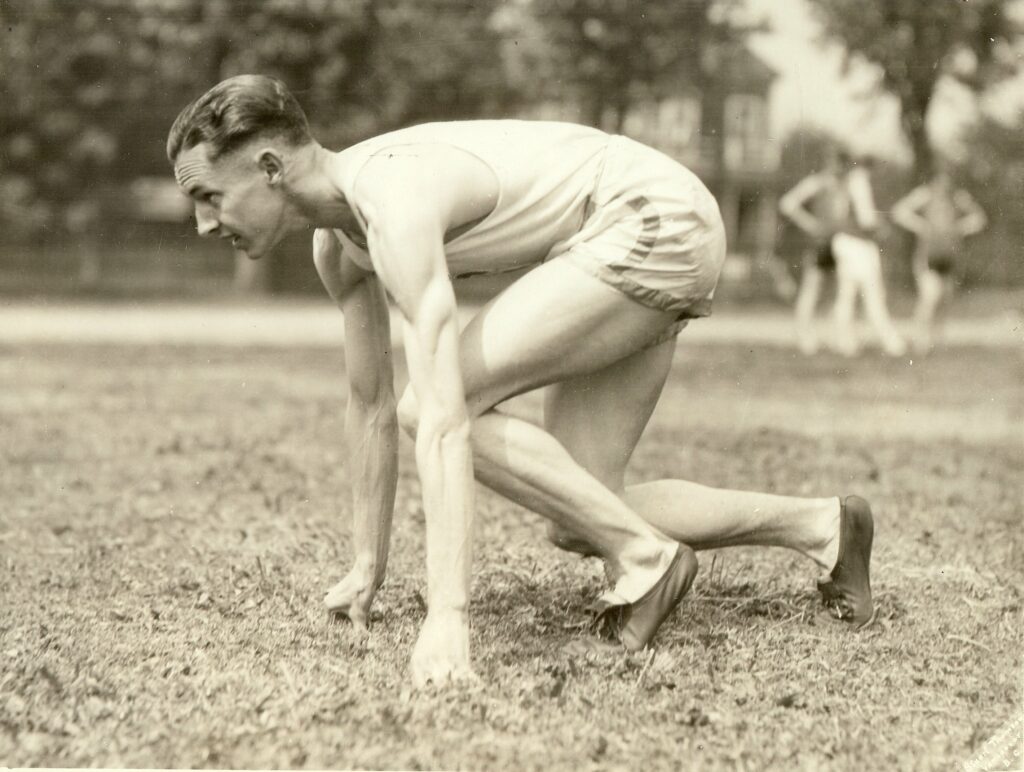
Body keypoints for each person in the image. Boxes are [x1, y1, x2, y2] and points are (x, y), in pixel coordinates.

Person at [167, 75, 876, 686]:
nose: (202, 224)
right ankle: (823, 527)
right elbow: (369, 405)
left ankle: (647, 559)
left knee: (438, 406)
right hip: (644, 226)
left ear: (267, 166)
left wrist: (447, 618)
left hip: (648, 216)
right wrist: (365, 562)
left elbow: (440, 415)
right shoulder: (339, 246)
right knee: (579, 515)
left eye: (206, 194)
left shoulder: (392, 197)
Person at [780, 150, 906, 357]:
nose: (838, 168)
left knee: (839, 292)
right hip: (821, 243)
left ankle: (839, 339)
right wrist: (810, 224)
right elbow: (788, 204)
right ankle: (804, 337)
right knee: (812, 289)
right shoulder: (817, 182)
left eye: (842, 164)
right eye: (835, 163)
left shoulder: (847, 184)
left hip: (840, 242)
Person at [891, 169, 987, 353]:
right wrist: (920, 225)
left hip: (950, 255)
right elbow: (899, 212)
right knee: (929, 298)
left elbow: (979, 220)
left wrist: (961, 227)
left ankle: (937, 340)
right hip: (928, 255)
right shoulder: (924, 195)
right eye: (940, 181)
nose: (943, 185)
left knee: (945, 299)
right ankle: (920, 342)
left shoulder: (957, 198)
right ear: (933, 181)